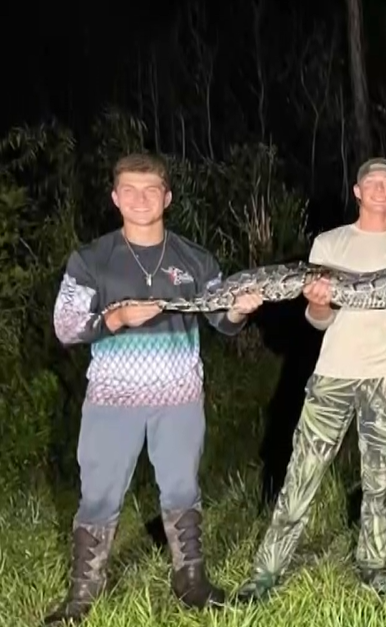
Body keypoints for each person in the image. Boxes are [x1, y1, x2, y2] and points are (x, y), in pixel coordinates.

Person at [46, 153, 264, 625]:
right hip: (111, 400)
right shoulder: (90, 259)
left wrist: (240, 309)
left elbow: (220, 322)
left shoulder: (194, 259)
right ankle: (83, 593)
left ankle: (192, 583)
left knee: (182, 489)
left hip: (179, 399)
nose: (140, 199)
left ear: (166, 197)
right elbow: (64, 326)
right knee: (99, 495)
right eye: (129, 190)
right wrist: (116, 317)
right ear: (114, 197)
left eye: (151, 191)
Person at [233, 158, 386, 602]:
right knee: (302, 474)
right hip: (332, 375)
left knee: (380, 479)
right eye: (371, 181)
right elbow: (318, 322)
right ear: (357, 190)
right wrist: (317, 302)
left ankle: (375, 564)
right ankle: (267, 571)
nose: (379, 188)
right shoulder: (328, 243)